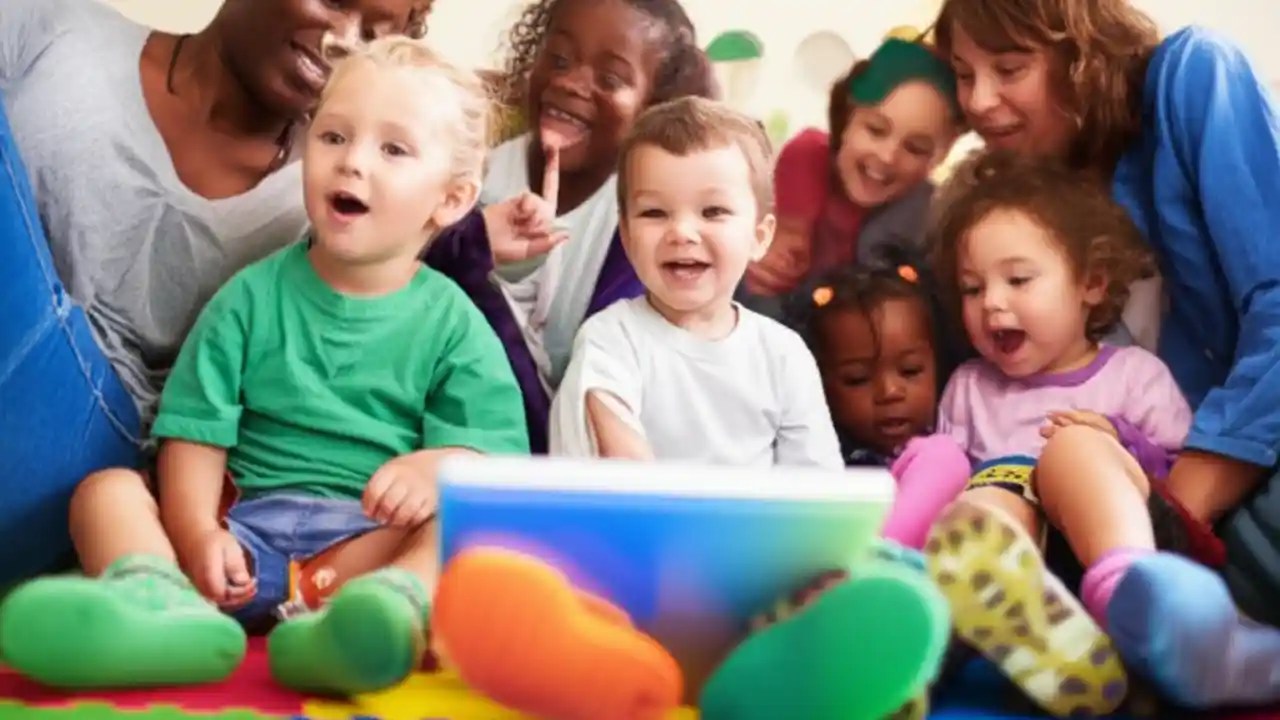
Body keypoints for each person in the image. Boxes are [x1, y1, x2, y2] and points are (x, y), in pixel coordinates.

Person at [0, 36, 530, 695]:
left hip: (364, 556)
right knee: (104, 493)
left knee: (465, 525)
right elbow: (196, 431)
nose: (352, 163)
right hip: (236, 539)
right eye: (334, 136)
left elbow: (495, 464)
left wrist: (438, 465)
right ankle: (158, 602)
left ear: (451, 201)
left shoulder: (456, 327)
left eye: (392, 150)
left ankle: (384, 617)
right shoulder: (249, 297)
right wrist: (196, 535)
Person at [432, 97, 951, 720]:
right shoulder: (612, 337)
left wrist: (814, 571)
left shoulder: (783, 353)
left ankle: (772, 674)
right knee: (534, 592)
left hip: (753, 596)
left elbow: (818, 500)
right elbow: (623, 455)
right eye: (655, 212)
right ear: (627, 236)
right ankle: (616, 669)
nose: (682, 231)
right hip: (625, 585)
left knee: (869, 573)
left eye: (712, 211)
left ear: (759, 233)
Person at [0, 0, 431, 588]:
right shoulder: (52, 30)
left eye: (376, 33)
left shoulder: (341, 181)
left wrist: (479, 240)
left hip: (76, 459)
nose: (344, 40)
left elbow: (415, 288)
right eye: (333, 1)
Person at [932, 0, 1280, 707]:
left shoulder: (1191, 76)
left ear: (1080, 52)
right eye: (965, 76)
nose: (979, 102)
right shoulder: (1027, 190)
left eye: (1009, 68)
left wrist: (1177, 507)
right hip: (1114, 509)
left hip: (1220, 481)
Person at [921, 149, 1201, 717]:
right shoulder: (970, 386)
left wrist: (1116, 439)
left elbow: (1180, 481)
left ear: (1092, 282)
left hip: (1113, 540)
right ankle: (932, 653)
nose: (992, 302)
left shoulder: (1133, 375)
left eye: (1018, 279)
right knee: (985, 505)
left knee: (1070, 450)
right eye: (973, 289)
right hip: (1032, 583)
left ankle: (1131, 605)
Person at [423, 0, 718, 453]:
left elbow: (603, 384)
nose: (570, 82)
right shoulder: (469, 178)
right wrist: (469, 245)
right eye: (558, 58)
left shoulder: (639, 223)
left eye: (611, 79)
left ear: (651, 111)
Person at [741, 36, 962, 321]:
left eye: (915, 148)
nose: (887, 156)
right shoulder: (806, 161)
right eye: (875, 130)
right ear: (847, 116)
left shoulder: (927, 215)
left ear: (940, 156)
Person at [796, 258, 968, 549]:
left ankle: (876, 555)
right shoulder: (820, 457)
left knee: (943, 456)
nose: (889, 392)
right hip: (830, 564)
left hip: (915, 576)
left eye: (911, 370)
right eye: (857, 378)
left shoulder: (947, 439)